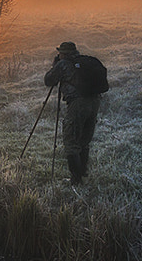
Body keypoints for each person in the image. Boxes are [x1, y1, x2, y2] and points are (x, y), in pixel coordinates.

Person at [44, 41, 104, 183]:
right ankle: (83, 173)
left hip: (78, 103)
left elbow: (48, 80)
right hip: (94, 102)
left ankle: (76, 180)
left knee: (70, 140)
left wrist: (55, 65)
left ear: (63, 53)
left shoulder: (63, 64)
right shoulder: (86, 61)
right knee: (84, 139)